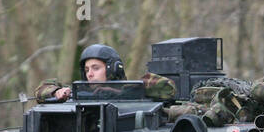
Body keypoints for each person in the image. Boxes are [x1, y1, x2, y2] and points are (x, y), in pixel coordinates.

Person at [33, 43, 176, 103]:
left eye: (96, 68)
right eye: (87, 70)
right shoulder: (79, 93)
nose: (90, 74)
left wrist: (121, 92)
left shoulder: (132, 90)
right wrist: (57, 92)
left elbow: (168, 88)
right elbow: (41, 90)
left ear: (112, 69)